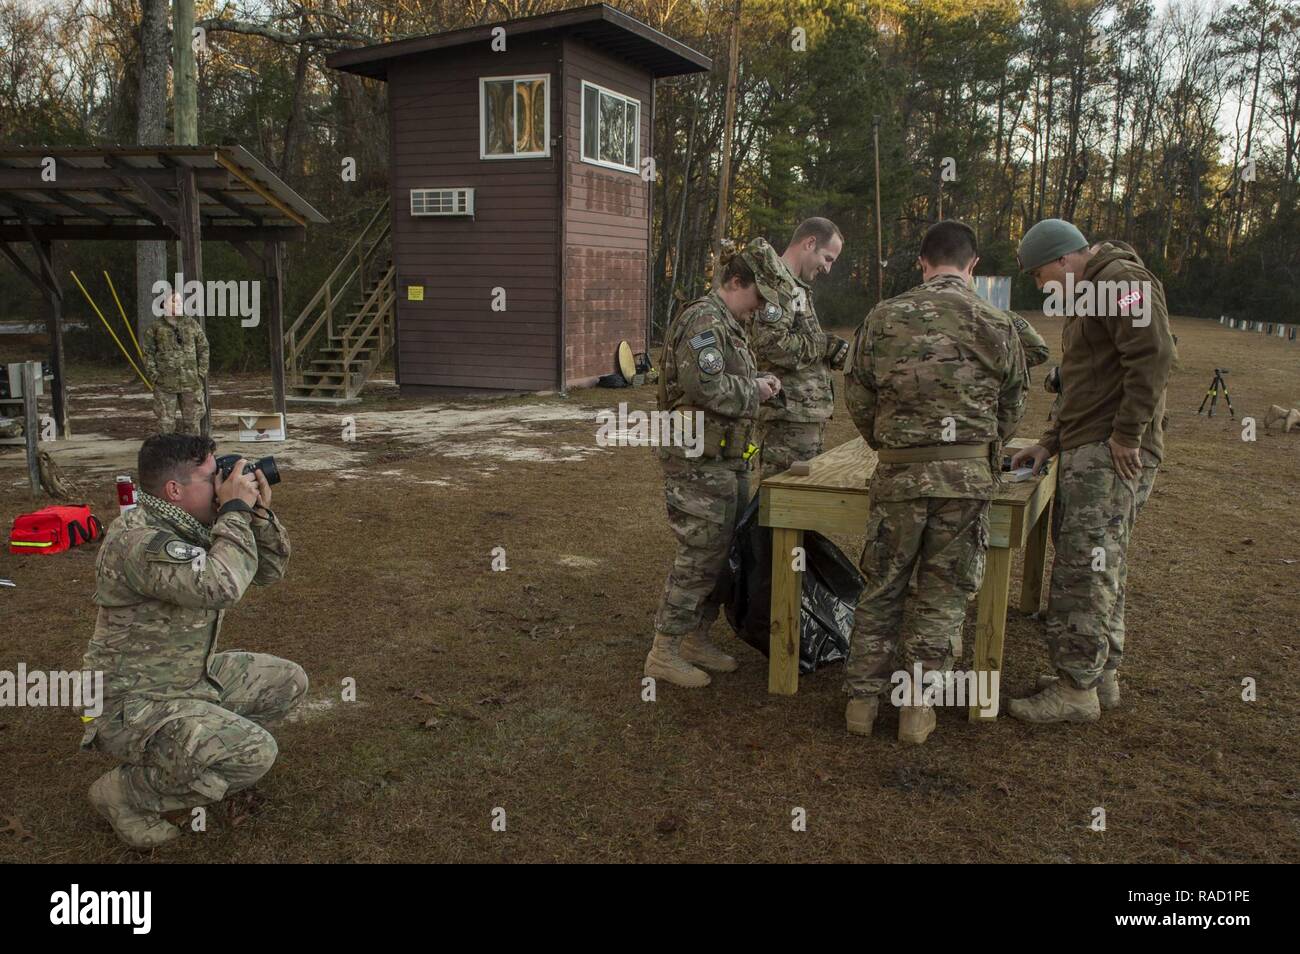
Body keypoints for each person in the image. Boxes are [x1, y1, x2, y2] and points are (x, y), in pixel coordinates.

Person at [842, 221, 1027, 743]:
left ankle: (860, 704)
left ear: (921, 262)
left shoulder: (884, 316)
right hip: (966, 480)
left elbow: (857, 395)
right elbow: (1012, 406)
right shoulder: (997, 321)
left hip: (900, 473)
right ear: (973, 266)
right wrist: (979, 450)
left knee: (883, 586)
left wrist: (890, 445)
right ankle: (916, 711)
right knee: (943, 593)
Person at [81, 433, 303, 848]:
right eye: (212, 476)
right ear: (174, 490)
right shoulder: (141, 540)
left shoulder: (187, 522)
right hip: (130, 701)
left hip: (186, 679)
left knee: (285, 681)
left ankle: (195, 762)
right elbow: (221, 586)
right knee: (256, 753)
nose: (223, 482)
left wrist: (256, 514)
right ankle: (126, 794)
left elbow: (268, 572)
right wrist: (234, 508)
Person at [1007, 219, 1175, 723]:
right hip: (1089, 446)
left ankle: (1076, 690)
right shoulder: (1094, 292)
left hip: (1108, 452)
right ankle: (1099, 674)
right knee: (1104, 564)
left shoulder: (1119, 283)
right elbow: (1086, 379)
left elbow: (1153, 356)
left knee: (1085, 569)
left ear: (1064, 260)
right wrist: (1050, 442)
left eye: (1041, 276)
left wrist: (1126, 435)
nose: (1042, 288)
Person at [646, 246, 782, 688]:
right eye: (759, 295)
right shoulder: (705, 320)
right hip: (697, 463)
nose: (762, 306)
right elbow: (704, 387)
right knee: (700, 555)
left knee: (724, 555)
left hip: (725, 459)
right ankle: (663, 652)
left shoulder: (732, 324)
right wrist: (755, 390)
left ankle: (695, 639)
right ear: (737, 282)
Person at [747, 218, 849, 480]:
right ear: (810, 243)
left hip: (801, 416)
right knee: (785, 504)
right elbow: (771, 344)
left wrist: (828, 348)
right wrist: (824, 345)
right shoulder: (777, 284)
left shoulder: (793, 286)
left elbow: (800, 338)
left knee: (799, 503)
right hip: (788, 418)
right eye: (827, 258)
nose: (827, 269)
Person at [142, 291, 209, 435]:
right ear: (165, 304)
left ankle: (192, 455)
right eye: (174, 301)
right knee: (166, 424)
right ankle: (168, 455)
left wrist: (201, 372)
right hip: (165, 384)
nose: (178, 304)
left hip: (191, 383)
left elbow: (203, 348)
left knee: (192, 423)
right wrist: (154, 375)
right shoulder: (156, 328)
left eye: (179, 301)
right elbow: (148, 354)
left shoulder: (191, 324)